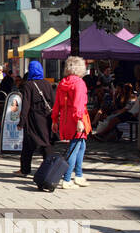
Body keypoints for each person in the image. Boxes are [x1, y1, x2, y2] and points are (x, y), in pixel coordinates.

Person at [51, 55, 91, 188]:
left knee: (80, 145)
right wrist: (80, 119)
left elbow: (56, 104)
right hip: (77, 118)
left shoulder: (62, 83)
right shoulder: (79, 83)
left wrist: (54, 120)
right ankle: (67, 178)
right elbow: (78, 103)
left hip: (65, 118)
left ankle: (78, 175)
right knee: (75, 148)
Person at [18, 60, 54, 177]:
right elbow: (53, 101)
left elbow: (26, 105)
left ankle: (25, 169)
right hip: (46, 117)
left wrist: (21, 122)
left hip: (33, 119)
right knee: (46, 143)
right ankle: (50, 168)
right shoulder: (48, 84)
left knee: (28, 144)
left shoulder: (28, 85)